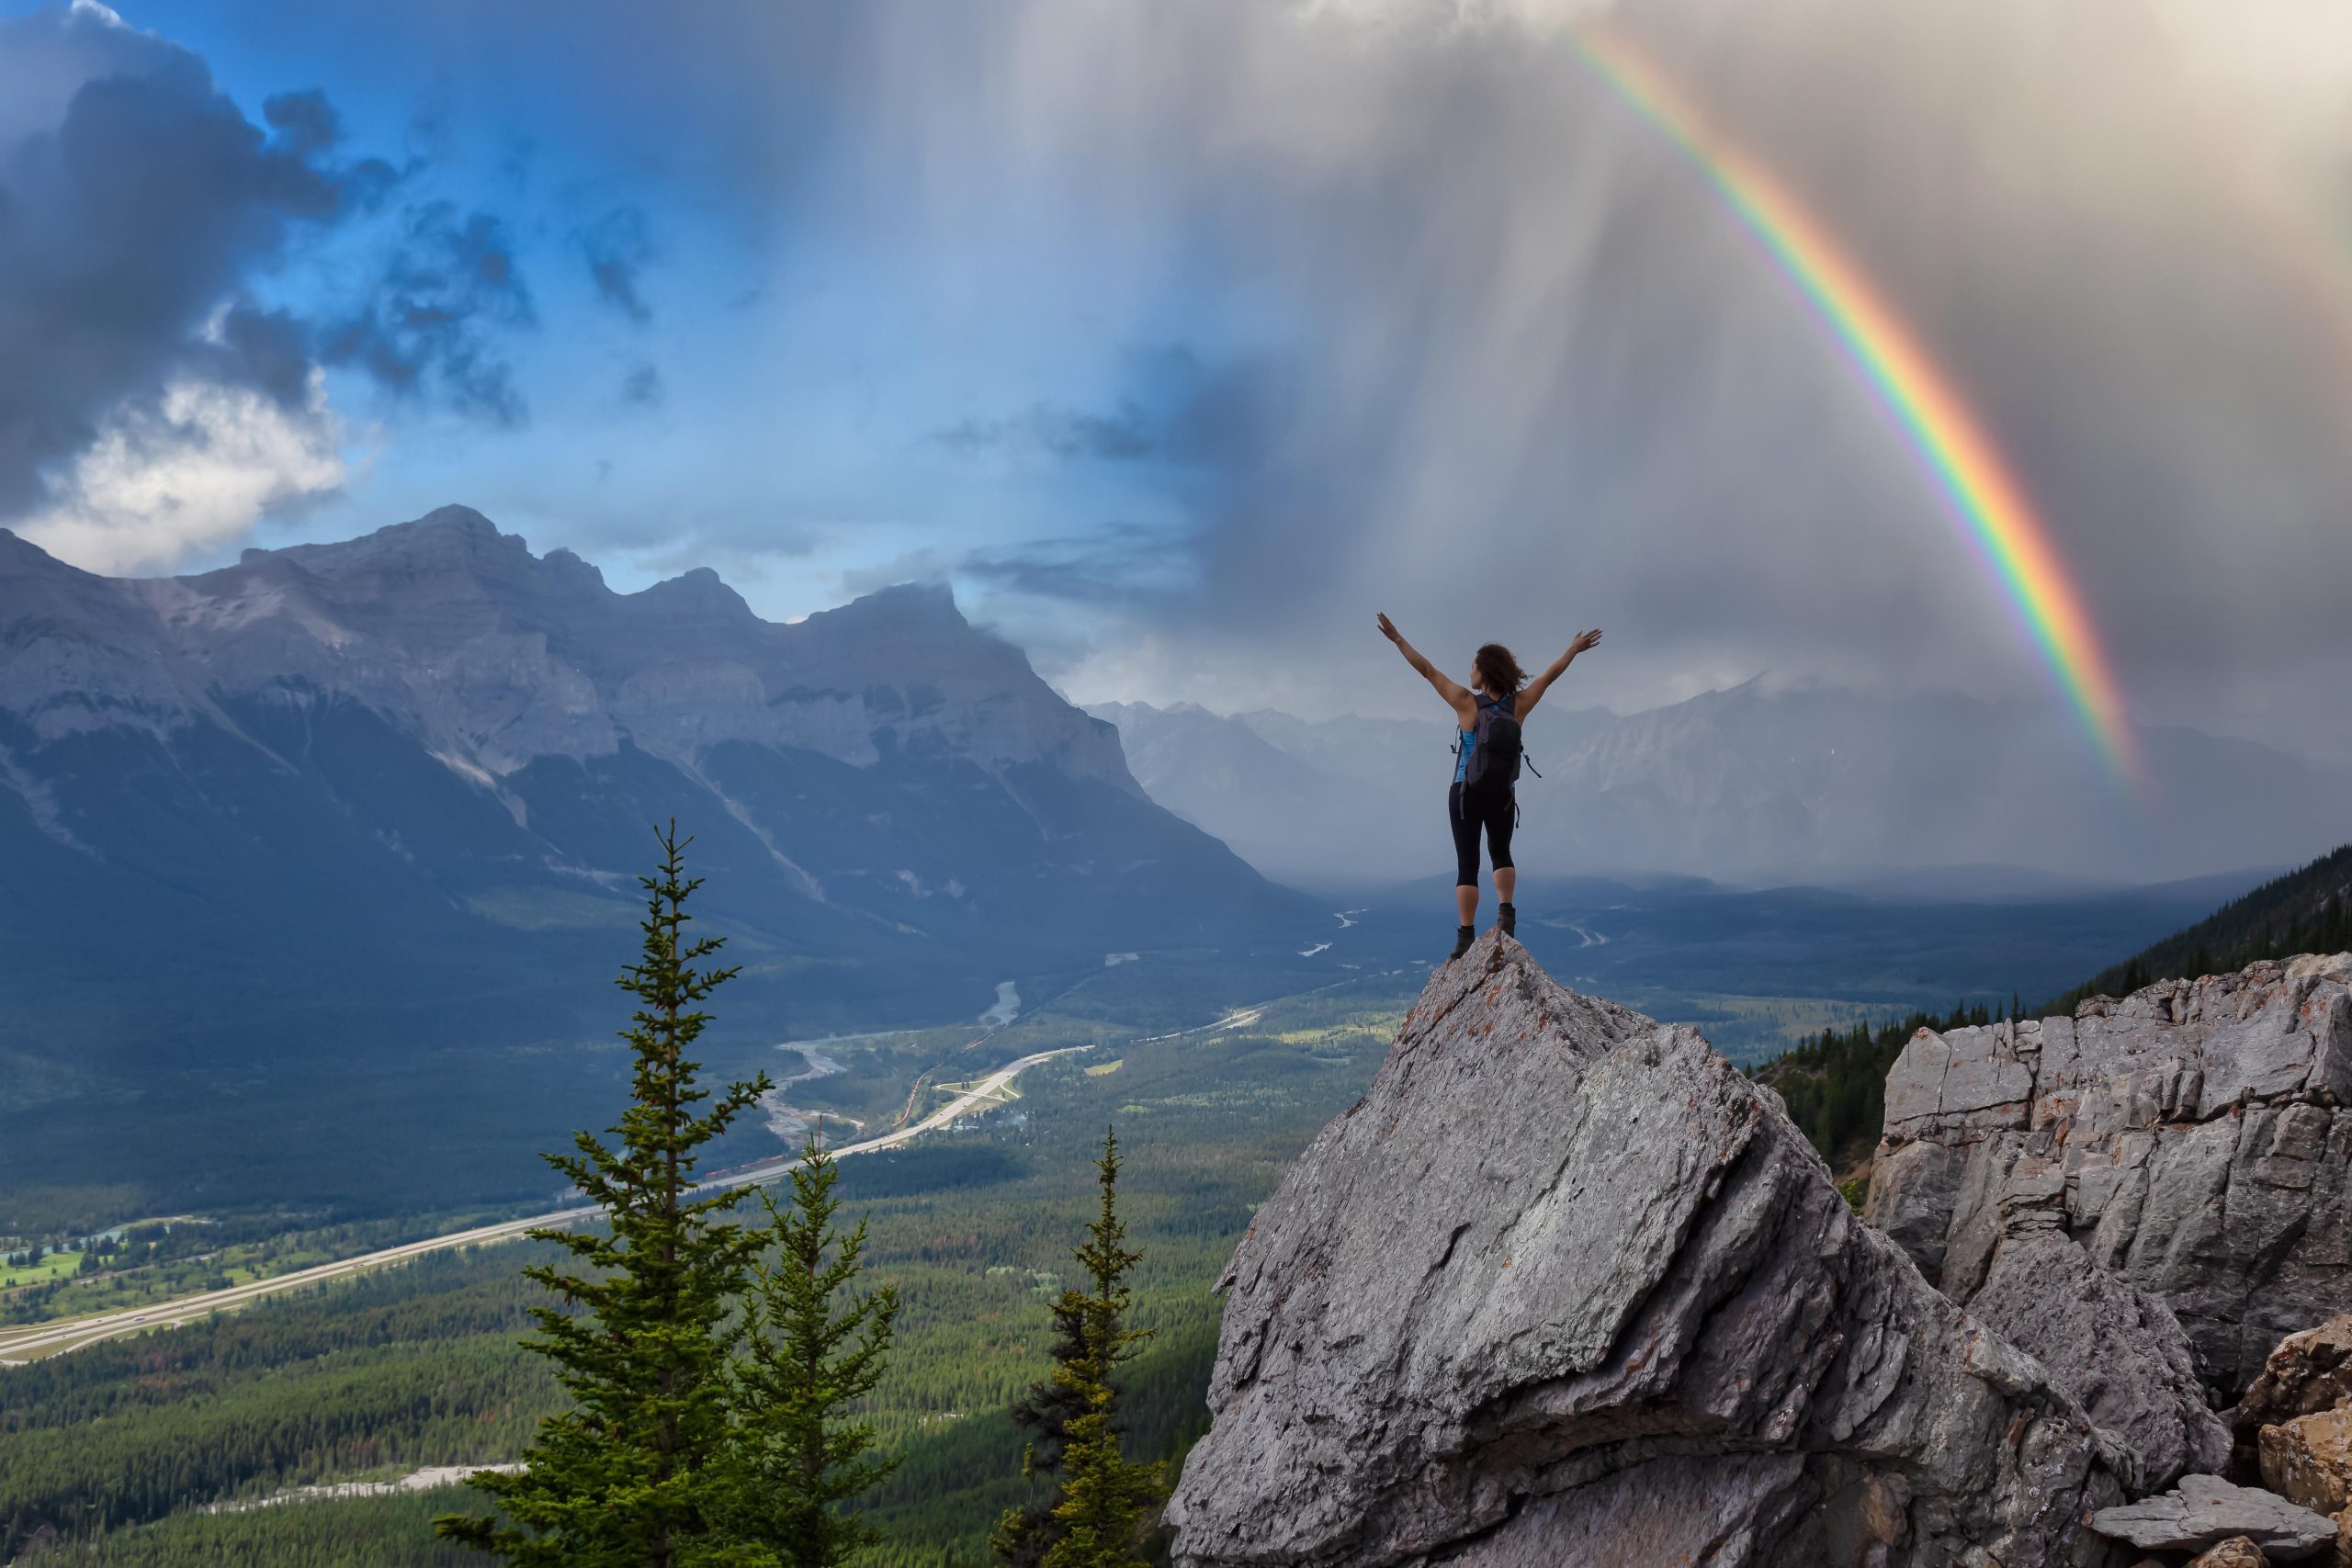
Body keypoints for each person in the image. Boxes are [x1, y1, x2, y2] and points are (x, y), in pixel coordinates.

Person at [1376, 614, 1602, 961]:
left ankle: (1466, 937)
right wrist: (1572, 650)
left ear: (1484, 672)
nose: (1469, 671)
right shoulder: (1519, 705)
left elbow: (1427, 671)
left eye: (1473, 666)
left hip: (1465, 792)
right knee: (1501, 852)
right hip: (1502, 793)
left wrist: (1397, 639)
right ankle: (1506, 914)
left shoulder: (1466, 702)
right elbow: (1550, 676)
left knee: (1467, 865)